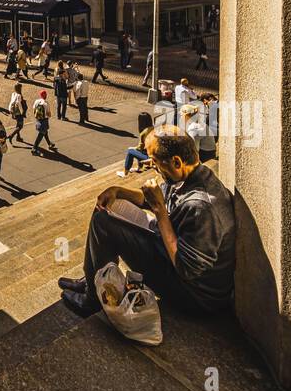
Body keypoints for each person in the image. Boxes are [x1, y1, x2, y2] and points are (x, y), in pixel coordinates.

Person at [58, 127, 236, 318]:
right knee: (106, 206)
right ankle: (92, 279)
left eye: (156, 161)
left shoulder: (202, 206)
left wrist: (159, 209)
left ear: (176, 161)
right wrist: (119, 191)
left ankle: (93, 300)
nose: (153, 166)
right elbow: (155, 199)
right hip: (171, 250)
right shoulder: (186, 175)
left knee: (103, 223)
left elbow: (187, 269)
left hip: (194, 295)